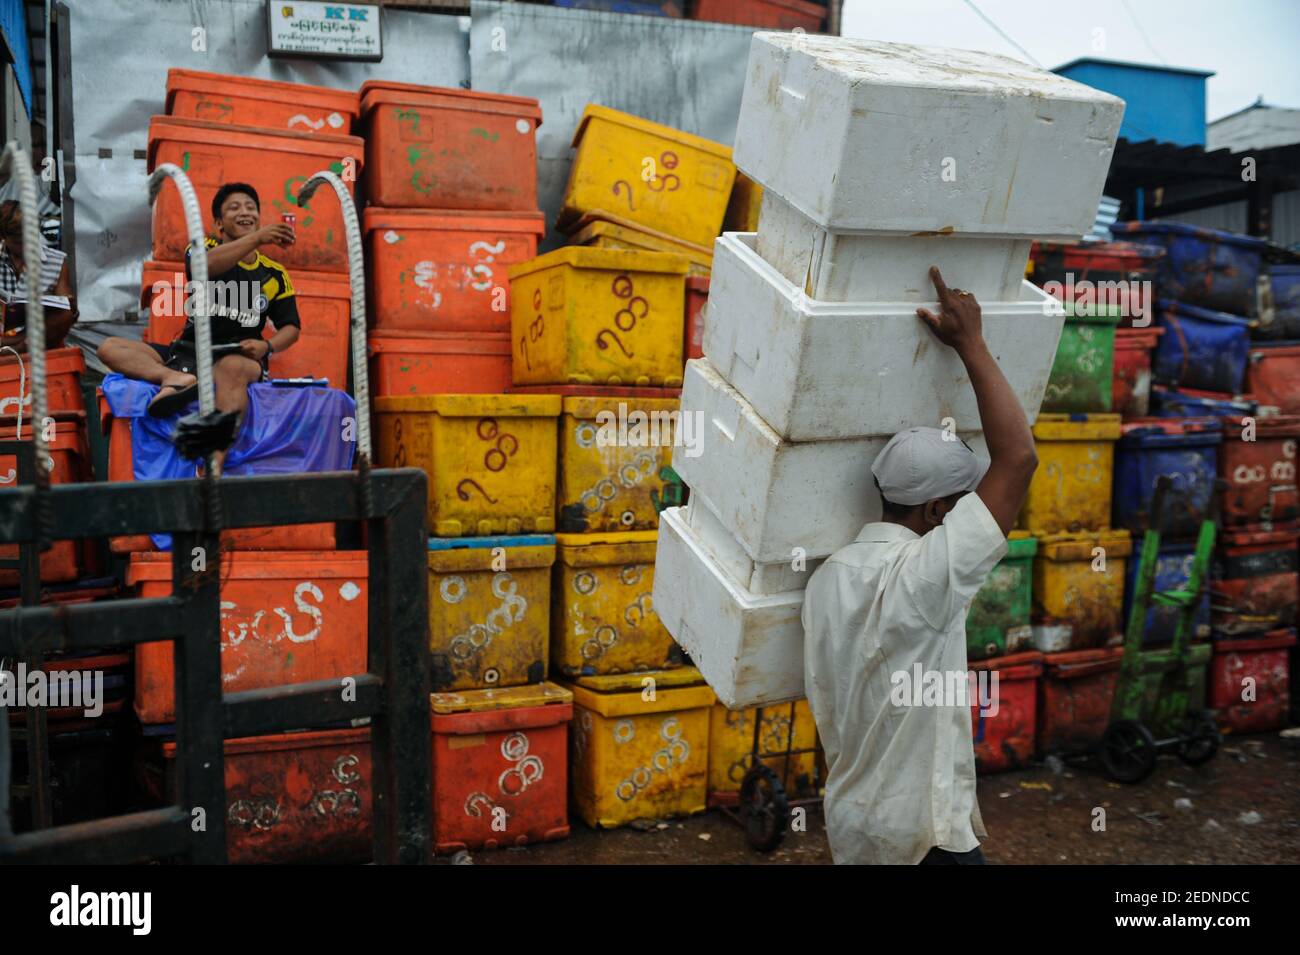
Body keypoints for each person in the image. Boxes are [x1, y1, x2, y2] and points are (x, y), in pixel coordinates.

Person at [801, 265, 1039, 866]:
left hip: (854, 828)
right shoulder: (927, 577)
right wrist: (971, 343)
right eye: (964, 505)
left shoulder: (826, 579)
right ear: (937, 510)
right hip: (923, 843)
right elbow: (1020, 459)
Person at [98, 182, 299, 424]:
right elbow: (204, 267)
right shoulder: (202, 248)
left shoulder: (274, 273)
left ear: (258, 217)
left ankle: (216, 448)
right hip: (189, 350)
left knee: (232, 367)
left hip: (240, 357)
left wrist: (267, 346)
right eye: (234, 208)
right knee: (109, 347)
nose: (245, 212)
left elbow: (291, 327)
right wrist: (257, 238)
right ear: (219, 224)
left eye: (250, 207)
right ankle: (173, 378)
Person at [0, 198, 78, 351]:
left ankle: (15, 346)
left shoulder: (56, 260)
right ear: (3, 237)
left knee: (66, 314)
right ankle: (16, 345)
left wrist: (69, 303)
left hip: (37, 332)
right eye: (18, 242)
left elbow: (65, 306)